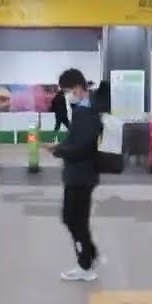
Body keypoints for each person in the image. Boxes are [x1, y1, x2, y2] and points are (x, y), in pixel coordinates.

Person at [49, 68, 103, 281]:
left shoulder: (86, 111)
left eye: (67, 90)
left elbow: (81, 147)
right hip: (81, 174)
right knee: (77, 219)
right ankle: (91, 255)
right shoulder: (85, 108)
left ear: (78, 88)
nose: (66, 95)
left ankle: (85, 265)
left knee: (73, 219)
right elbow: (77, 140)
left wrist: (58, 150)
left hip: (80, 176)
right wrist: (60, 146)